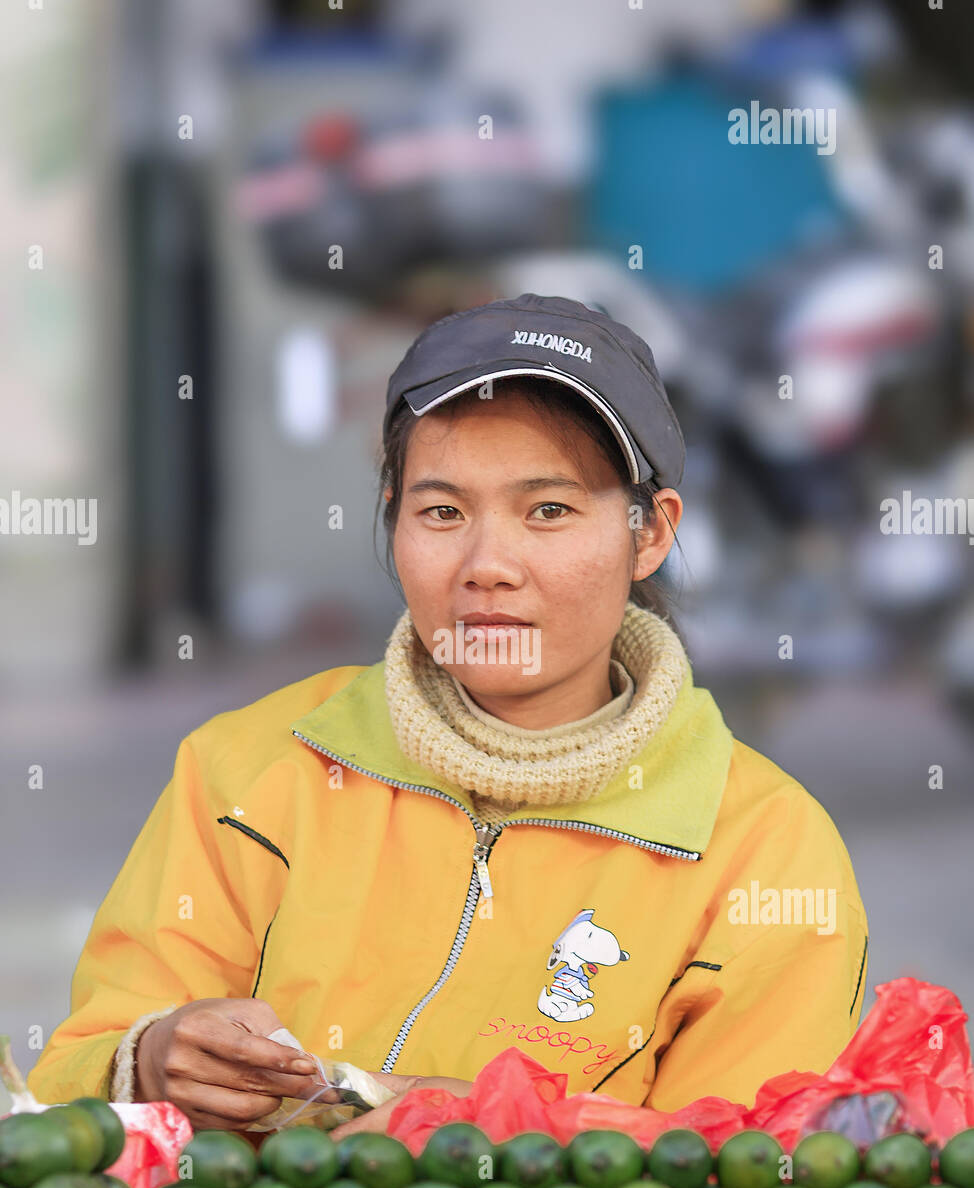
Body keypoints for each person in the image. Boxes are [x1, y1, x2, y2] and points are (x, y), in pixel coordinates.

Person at [28, 293, 869, 1137]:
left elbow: (749, 1173)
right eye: (442, 512)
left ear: (650, 534)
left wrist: (453, 1122)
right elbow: (67, 1082)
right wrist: (143, 1059)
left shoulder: (767, 851)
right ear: (393, 519)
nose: (488, 565)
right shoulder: (248, 769)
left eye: (549, 509)